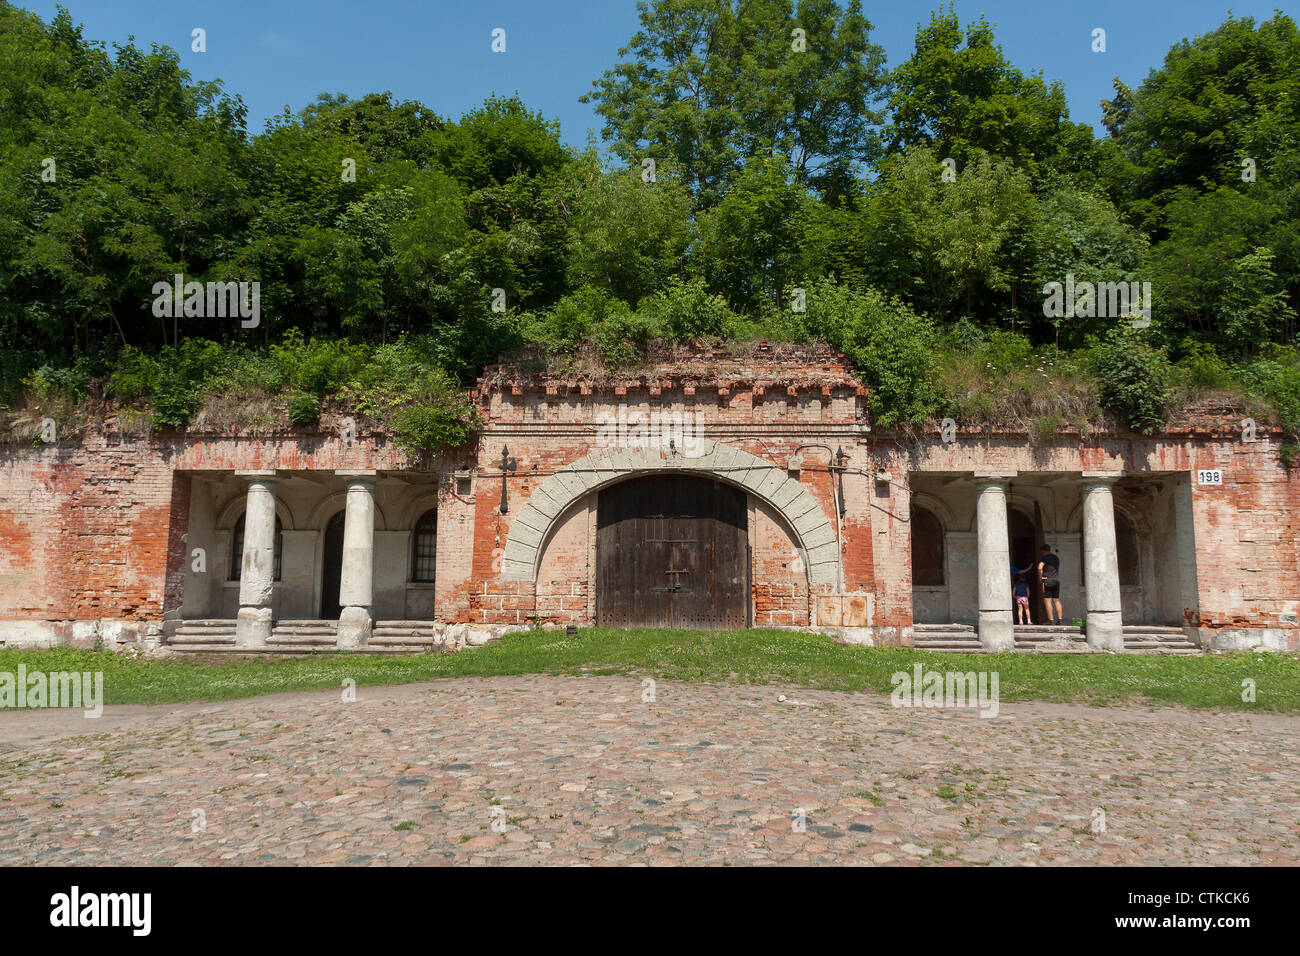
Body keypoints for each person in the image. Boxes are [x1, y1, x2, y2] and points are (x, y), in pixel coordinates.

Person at [1038, 543, 1062, 624]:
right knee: (1056, 600)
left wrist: (1040, 578)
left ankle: (1051, 620)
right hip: (1056, 580)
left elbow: (1039, 567)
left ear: (1044, 551)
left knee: (1048, 601)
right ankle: (1059, 620)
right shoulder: (1056, 558)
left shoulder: (1045, 558)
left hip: (1047, 581)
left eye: (1042, 551)